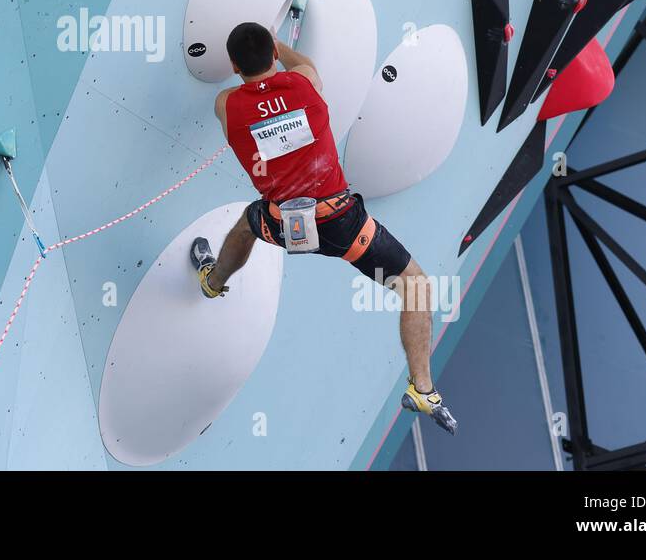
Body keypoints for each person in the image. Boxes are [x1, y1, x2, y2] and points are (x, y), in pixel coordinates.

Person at [191, 22, 457, 435]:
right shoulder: (304, 83)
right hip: (342, 225)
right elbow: (305, 64)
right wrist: (279, 46)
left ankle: (212, 282)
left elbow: (246, 96)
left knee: (246, 226)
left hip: (281, 222)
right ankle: (423, 386)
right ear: (274, 55)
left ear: (232, 65)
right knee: (415, 286)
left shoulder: (226, 104)